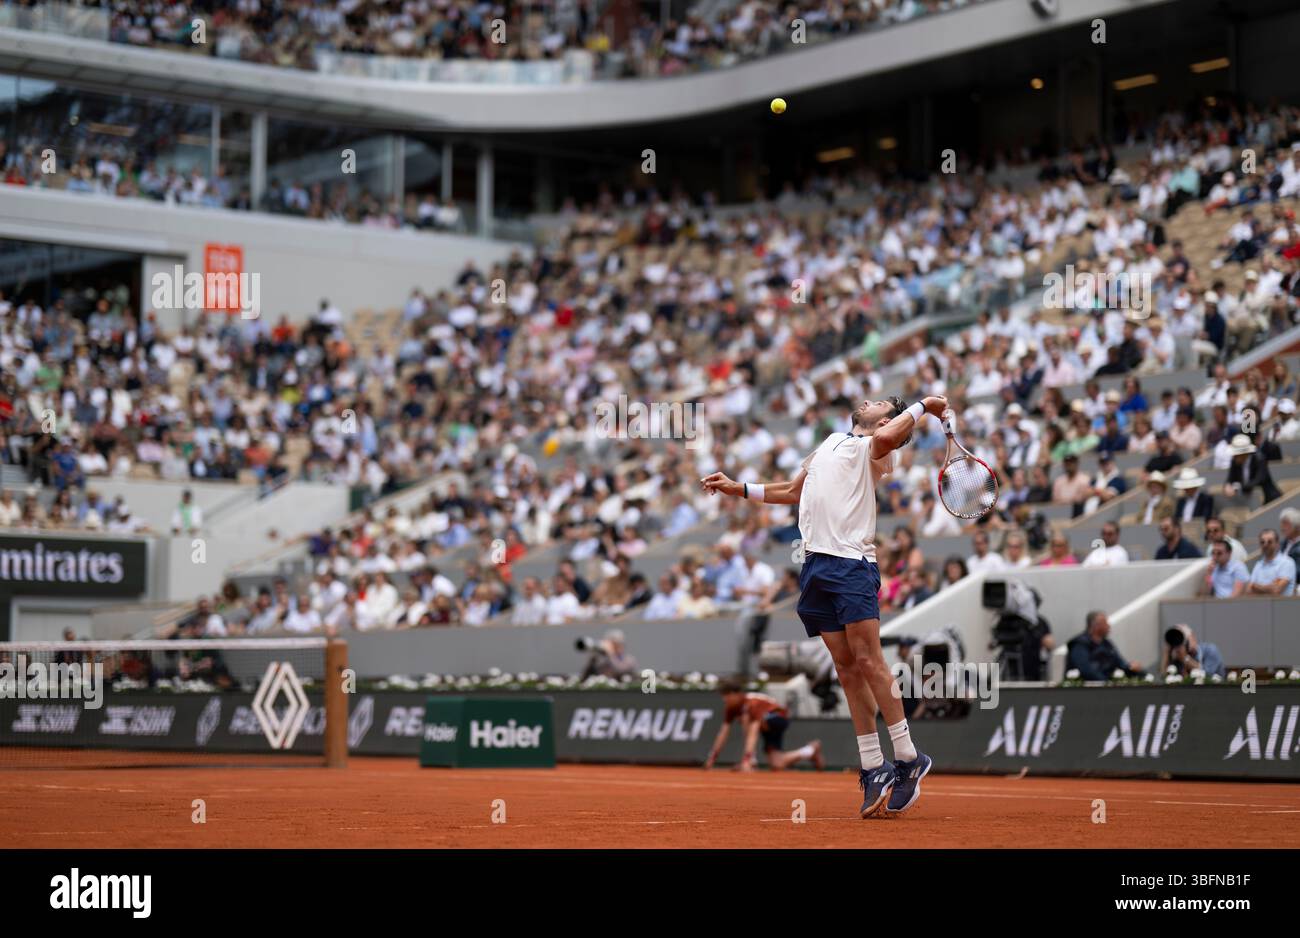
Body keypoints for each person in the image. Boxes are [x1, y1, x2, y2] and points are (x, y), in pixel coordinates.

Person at [701, 393, 947, 817]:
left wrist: (923, 406)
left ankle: (908, 756)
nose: (867, 400)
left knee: (870, 661)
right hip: (815, 566)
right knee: (846, 669)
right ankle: (874, 766)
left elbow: (889, 437)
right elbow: (794, 491)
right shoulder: (832, 441)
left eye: (880, 402)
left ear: (887, 417)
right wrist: (739, 488)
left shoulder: (879, 453)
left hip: (852, 564)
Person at [703, 678, 825, 772]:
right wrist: (712, 757)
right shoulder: (730, 709)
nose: (725, 699)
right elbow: (723, 733)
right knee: (777, 764)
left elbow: (753, 730)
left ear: (737, 694)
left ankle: (749, 760)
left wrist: (746, 760)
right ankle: (810, 750)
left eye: (727, 695)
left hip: (778, 717)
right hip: (767, 726)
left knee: (746, 718)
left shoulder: (752, 703)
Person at [1066, 611, 1145, 680]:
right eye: (1105, 623)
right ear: (1095, 625)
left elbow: (1120, 663)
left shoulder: (1107, 645)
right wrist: (1105, 683)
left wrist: (1131, 668)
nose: (1108, 626)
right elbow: (1086, 670)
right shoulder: (1080, 644)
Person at [1225, 434, 1282, 506]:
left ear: (1244, 454)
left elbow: (1258, 480)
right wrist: (1228, 486)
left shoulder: (1259, 460)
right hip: (1250, 500)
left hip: (1269, 499)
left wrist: (1238, 487)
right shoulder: (1234, 462)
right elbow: (1230, 479)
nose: (1233, 456)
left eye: (1236, 454)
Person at [1247, 529, 1297, 596]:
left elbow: (1276, 590)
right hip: (1260, 605)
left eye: (1269, 542)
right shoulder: (1258, 564)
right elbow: (1249, 590)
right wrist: (1268, 588)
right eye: (1262, 542)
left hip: (1282, 606)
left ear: (1277, 544)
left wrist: (1255, 586)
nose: (1265, 545)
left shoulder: (1287, 563)